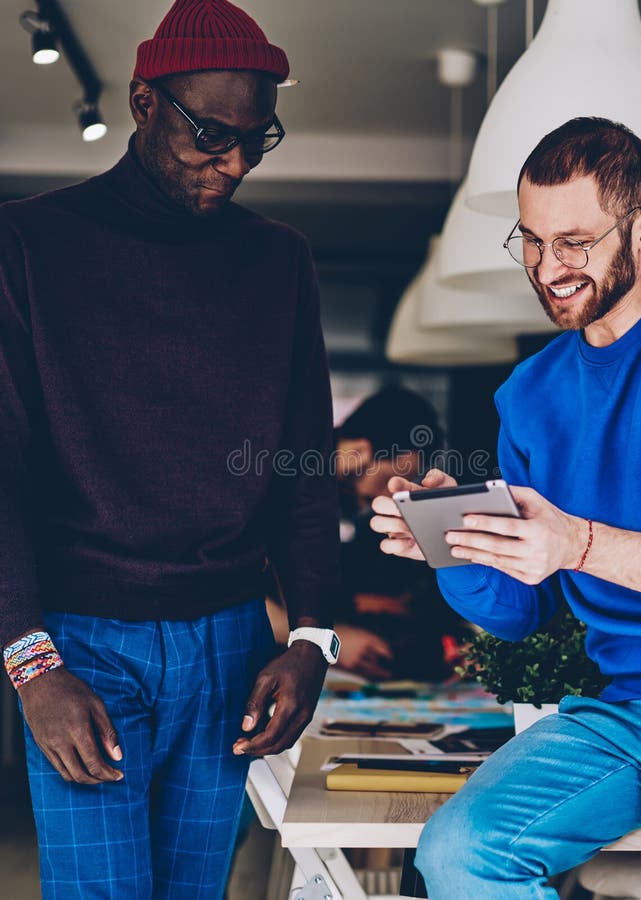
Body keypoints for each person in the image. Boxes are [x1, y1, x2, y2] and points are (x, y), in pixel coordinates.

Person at [0, 1, 340, 897]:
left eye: (257, 139)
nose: (233, 164)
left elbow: (304, 462)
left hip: (231, 644)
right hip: (81, 643)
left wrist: (311, 637)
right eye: (211, 134)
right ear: (144, 102)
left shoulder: (279, 262)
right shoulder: (28, 243)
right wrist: (32, 665)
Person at [371, 117, 641, 898]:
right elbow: (517, 614)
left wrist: (580, 545)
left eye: (574, 241)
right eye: (530, 241)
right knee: (459, 855)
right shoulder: (527, 395)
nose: (547, 267)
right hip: (623, 713)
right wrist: (454, 548)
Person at [265, 387, 467, 681]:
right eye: (388, 480)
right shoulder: (281, 481)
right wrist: (334, 641)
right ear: (359, 451)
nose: (391, 496)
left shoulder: (326, 501)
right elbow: (231, 593)